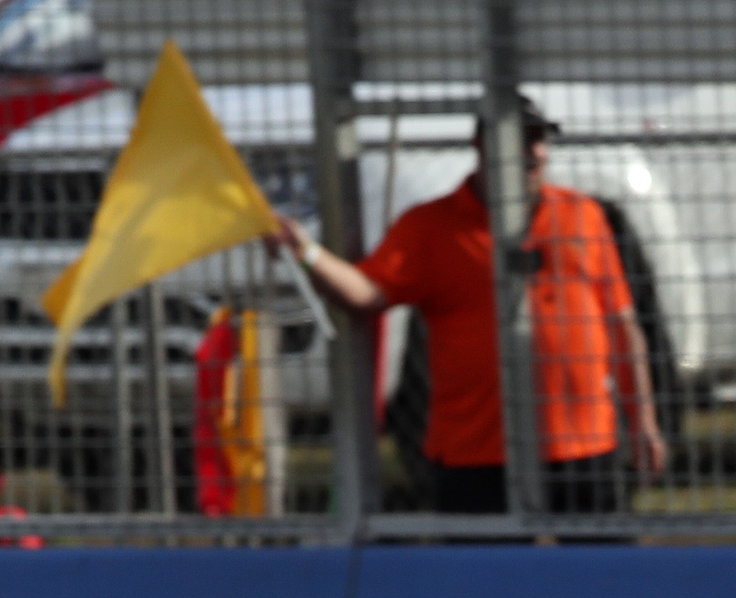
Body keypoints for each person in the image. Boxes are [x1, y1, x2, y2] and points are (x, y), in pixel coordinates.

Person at [270, 106, 663, 515]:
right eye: (520, 141)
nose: (535, 153)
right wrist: (306, 252)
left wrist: (643, 422)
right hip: (478, 452)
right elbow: (368, 291)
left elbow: (622, 323)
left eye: (539, 140)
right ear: (482, 148)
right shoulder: (431, 226)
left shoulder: (583, 214)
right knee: (487, 576)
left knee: (597, 576)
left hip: (585, 443)